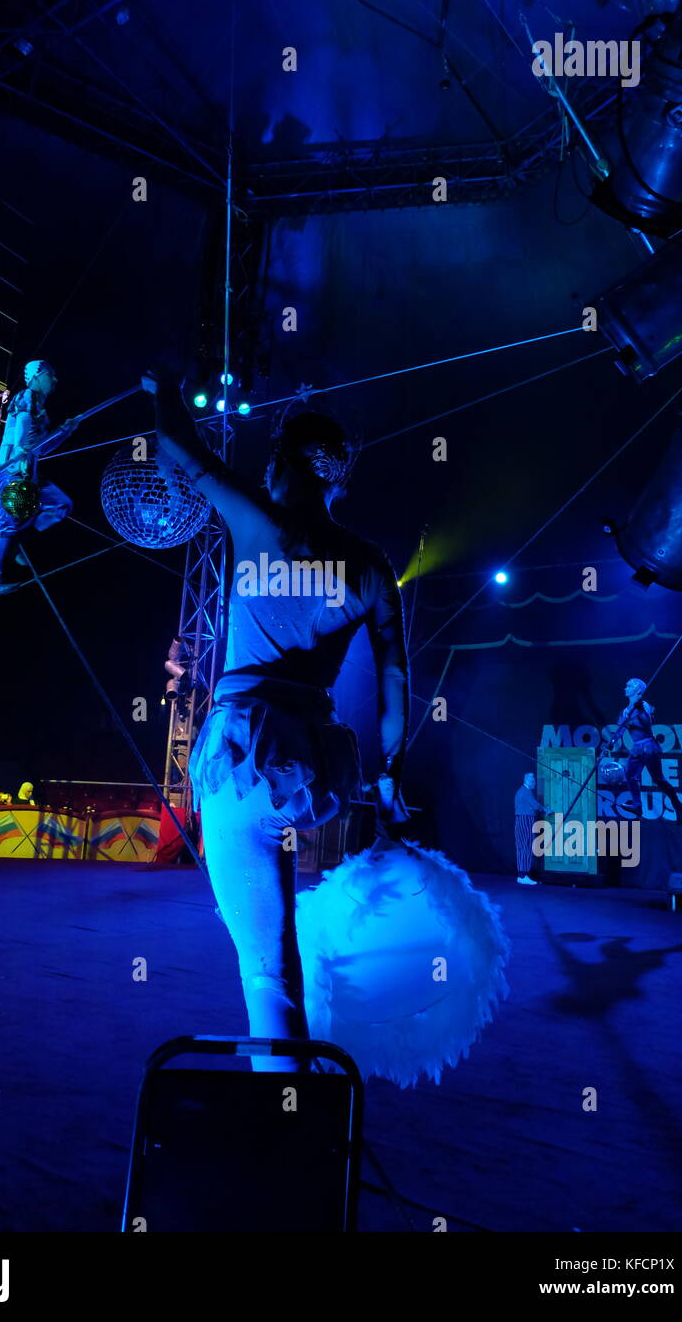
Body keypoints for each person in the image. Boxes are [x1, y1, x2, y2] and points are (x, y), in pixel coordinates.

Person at [143, 370, 410, 1071]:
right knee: (277, 936)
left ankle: (284, 1109)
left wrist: (161, 385)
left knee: (265, 966)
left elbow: (174, 442)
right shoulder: (372, 564)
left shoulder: (256, 518)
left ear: (279, 462)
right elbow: (394, 679)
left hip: (244, 753)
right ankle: (292, 1095)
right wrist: (388, 778)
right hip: (312, 766)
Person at [0, 360, 81, 596]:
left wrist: (65, 431)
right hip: (11, 470)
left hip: (28, 473)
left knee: (61, 504)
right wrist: (21, 450)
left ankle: (16, 545)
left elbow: (42, 448)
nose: (55, 380)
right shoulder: (27, 396)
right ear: (37, 375)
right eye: (51, 375)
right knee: (6, 527)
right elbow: (21, 423)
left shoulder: (40, 410)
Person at [604, 678, 682, 824]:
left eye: (629, 686)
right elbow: (620, 730)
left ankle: (678, 805)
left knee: (658, 779)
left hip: (648, 746)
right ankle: (637, 806)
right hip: (636, 748)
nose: (625, 688)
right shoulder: (625, 712)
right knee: (630, 776)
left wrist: (639, 709)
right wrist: (610, 743)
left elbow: (647, 722)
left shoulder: (644, 705)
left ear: (638, 690)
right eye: (626, 685)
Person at [514, 772, 550, 886]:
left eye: (534, 781)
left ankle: (523, 875)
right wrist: (546, 810)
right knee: (526, 847)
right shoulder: (526, 792)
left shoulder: (521, 791)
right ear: (527, 781)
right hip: (525, 820)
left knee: (523, 847)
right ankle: (522, 875)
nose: (534, 783)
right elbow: (535, 805)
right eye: (533, 781)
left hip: (522, 820)